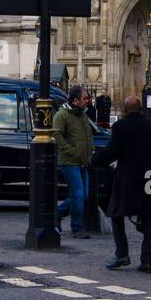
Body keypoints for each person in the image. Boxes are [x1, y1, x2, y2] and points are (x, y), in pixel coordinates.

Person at [92, 95, 151, 273]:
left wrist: (95, 159)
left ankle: (122, 254)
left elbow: (113, 151)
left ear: (125, 110)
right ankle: (147, 260)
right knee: (149, 215)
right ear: (141, 108)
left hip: (127, 177)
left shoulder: (120, 126)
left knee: (116, 213)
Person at [54, 84, 95, 239]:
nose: (88, 101)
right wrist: (70, 151)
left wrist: (90, 151)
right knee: (78, 194)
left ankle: (58, 214)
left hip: (83, 161)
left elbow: (88, 135)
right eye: (85, 98)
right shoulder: (62, 115)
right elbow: (57, 134)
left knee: (83, 195)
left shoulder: (82, 114)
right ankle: (77, 228)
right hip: (70, 162)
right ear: (75, 100)